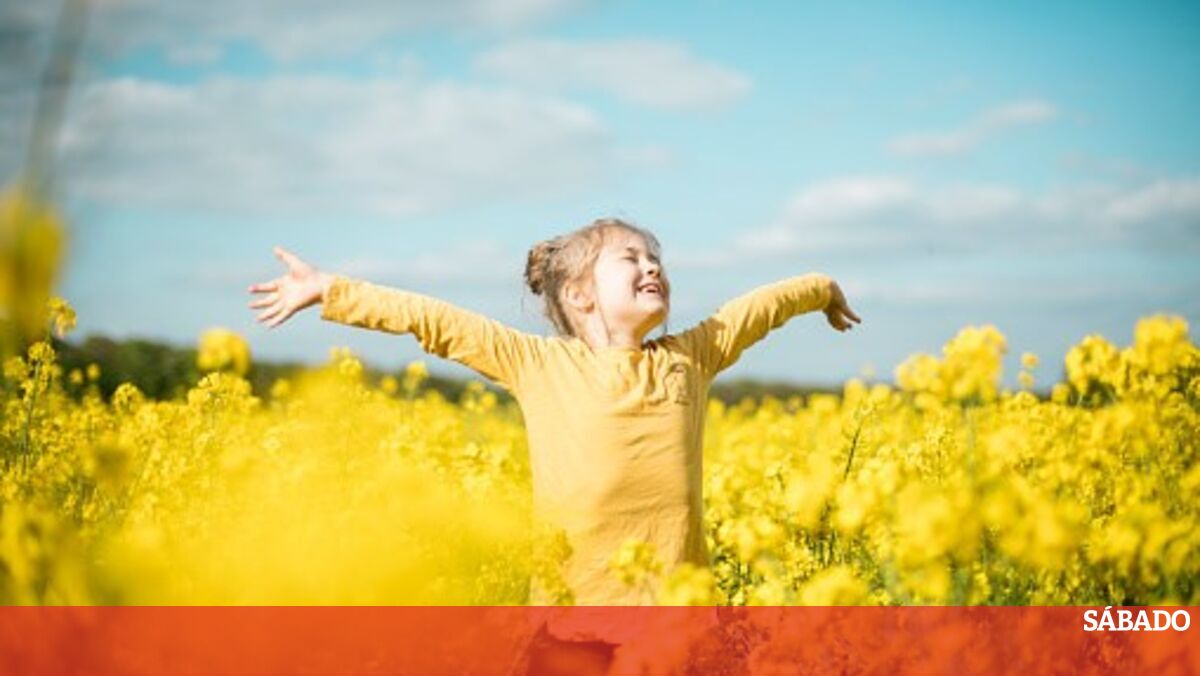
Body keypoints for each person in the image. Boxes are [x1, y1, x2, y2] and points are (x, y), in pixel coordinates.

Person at [247, 217, 861, 671]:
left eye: (655, 258)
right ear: (578, 295)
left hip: (678, 618)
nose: (652, 266)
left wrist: (822, 287)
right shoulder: (537, 362)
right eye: (631, 258)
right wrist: (331, 291)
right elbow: (436, 322)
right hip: (574, 627)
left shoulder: (692, 357)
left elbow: (761, 308)